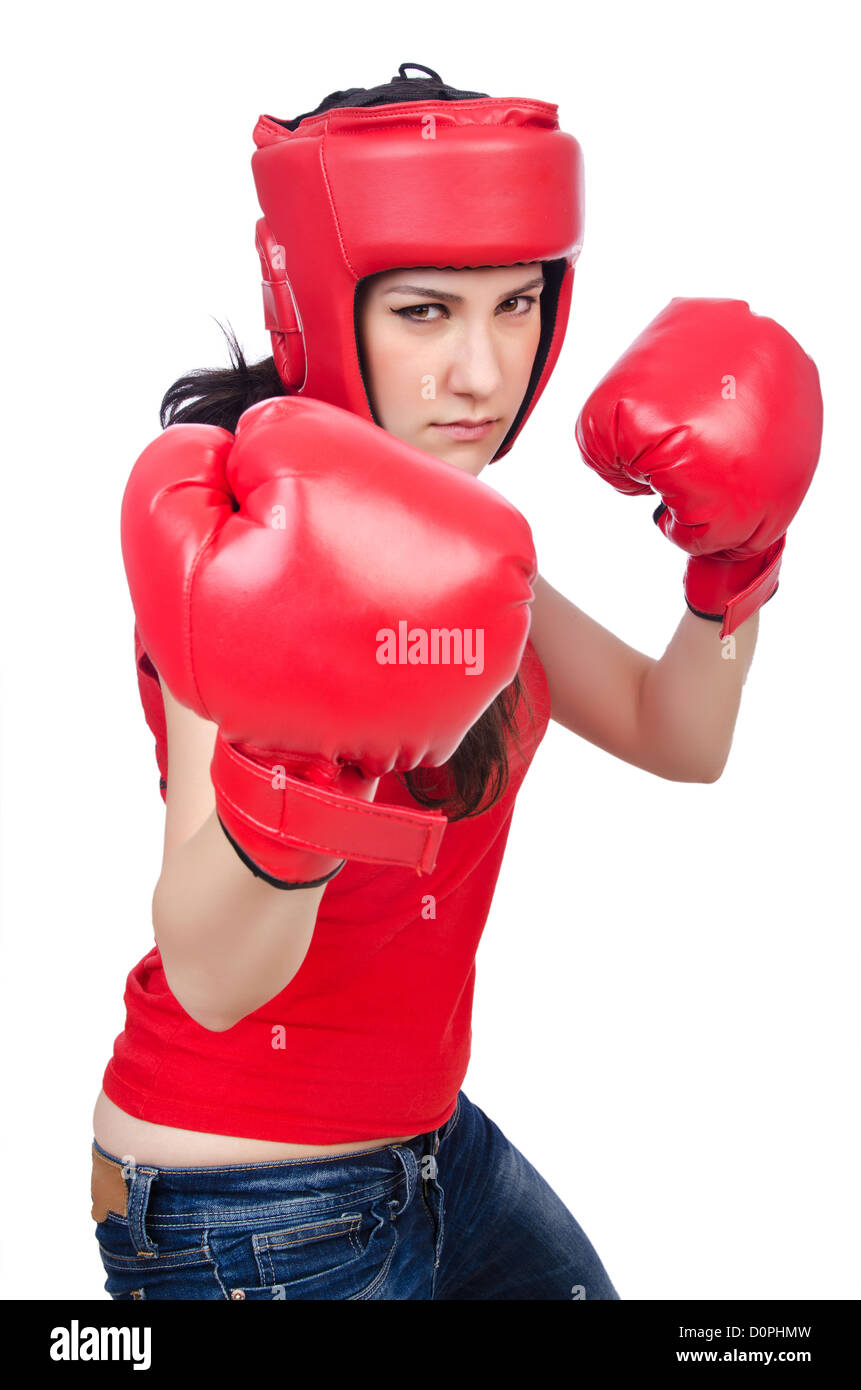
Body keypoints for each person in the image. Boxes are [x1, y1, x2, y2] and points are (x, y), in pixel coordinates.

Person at [90, 64, 822, 1301]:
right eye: (426, 312)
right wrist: (313, 756)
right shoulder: (241, 544)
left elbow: (676, 728)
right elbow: (215, 972)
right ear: (326, 303)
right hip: (246, 1199)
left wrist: (735, 568)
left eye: (518, 304)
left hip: (432, 1150)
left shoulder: (472, 562)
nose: (485, 372)